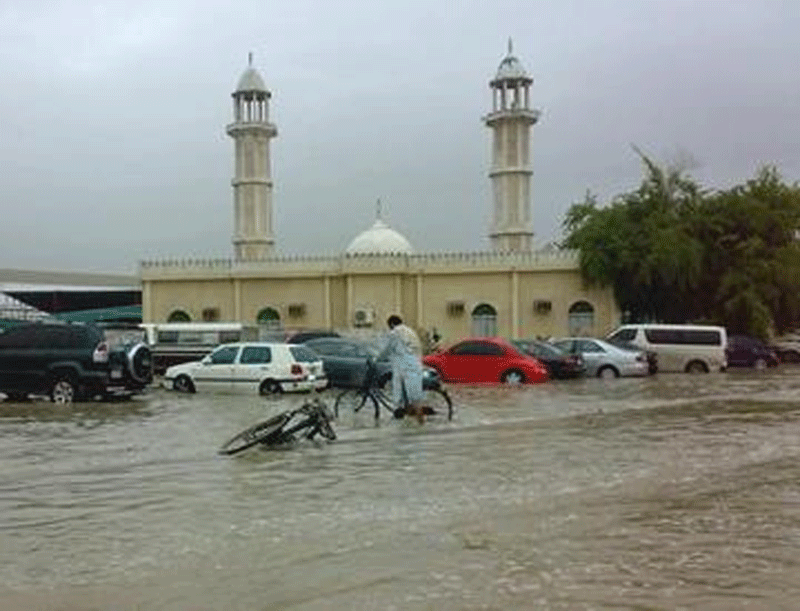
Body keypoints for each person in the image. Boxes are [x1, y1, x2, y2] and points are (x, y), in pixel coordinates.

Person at [376, 314, 425, 422]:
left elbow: (387, 348)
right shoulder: (410, 331)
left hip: (405, 366)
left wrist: (377, 358)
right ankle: (408, 420)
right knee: (412, 394)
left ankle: (419, 422)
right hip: (415, 364)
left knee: (409, 396)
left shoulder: (395, 332)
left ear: (392, 324)